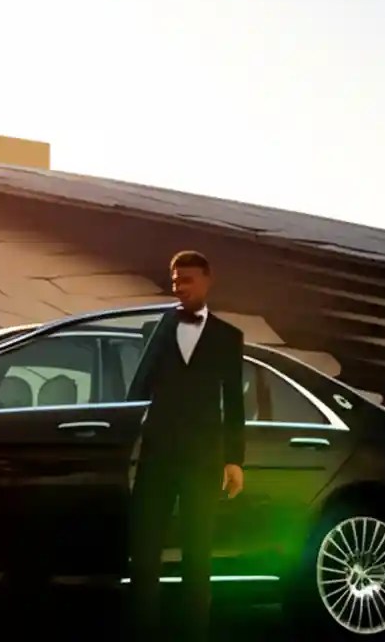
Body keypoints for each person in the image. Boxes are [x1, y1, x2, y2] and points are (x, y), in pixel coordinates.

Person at [126, 250, 246, 641]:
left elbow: (235, 402)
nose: (179, 287)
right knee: (146, 552)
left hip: (203, 458)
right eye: (175, 281)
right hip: (156, 454)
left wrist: (234, 460)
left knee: (197, 554)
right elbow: (138, 388)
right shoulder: (157, 327)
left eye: (187, 280)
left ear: (207, 281)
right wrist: (123, 437)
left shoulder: (229, 338)